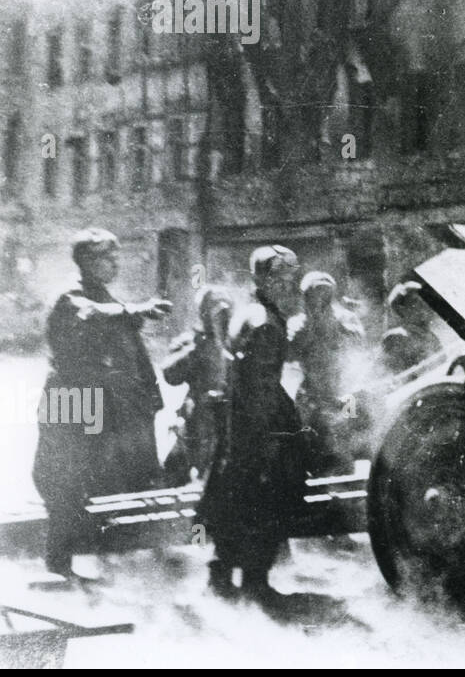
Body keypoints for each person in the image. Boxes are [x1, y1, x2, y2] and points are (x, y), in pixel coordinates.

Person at [33, 229, 172, 579]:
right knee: (63, 476)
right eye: (107, 257)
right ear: (87, 261)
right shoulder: (73, 297)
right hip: (69, 397)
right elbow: (91, 313)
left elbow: (130, 351)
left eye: (115, 255)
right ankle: (58, 565)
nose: (115, 263)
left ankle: (90, 552)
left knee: (94, 474)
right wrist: (135, 308)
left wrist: (149, 394)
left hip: (92, 399)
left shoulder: (104, 296)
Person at [198, 245, 306, 605]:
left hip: (239, 429)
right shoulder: (265, 325)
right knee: (264, 502)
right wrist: (272, 439)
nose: (287, 286)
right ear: (259, 278)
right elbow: (260, 390)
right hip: (258, 431)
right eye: (278, 278)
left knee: (235, 500)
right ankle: (254, 584)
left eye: (291, 279)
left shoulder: (252, 314)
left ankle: (224, 578)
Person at [288, 271, 365, 476]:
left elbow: (359, 346)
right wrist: (308, 331)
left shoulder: (346, 318)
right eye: (315, 294)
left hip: (344, 390)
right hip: (312, 394)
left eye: (325, 293)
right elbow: (289, 355)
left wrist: (339, 328)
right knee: (308, 443)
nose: (320, 299)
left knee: (345, 441)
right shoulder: (298, 324)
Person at [160, 285, 234, 484]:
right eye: (214, 310)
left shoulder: (235, 342)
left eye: (225, 310)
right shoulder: (191, 342)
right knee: (191, 467)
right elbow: (170, 375)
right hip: (199, 415)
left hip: (230, 412)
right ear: (204, 313)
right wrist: (195, 350)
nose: (220, 315)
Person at [379, 281, 441, 376]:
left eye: (425, 301)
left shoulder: (432, 337)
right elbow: (399, 379)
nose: (424, 306)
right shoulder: (397, 337)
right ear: (402, 309)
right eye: (416, 302)